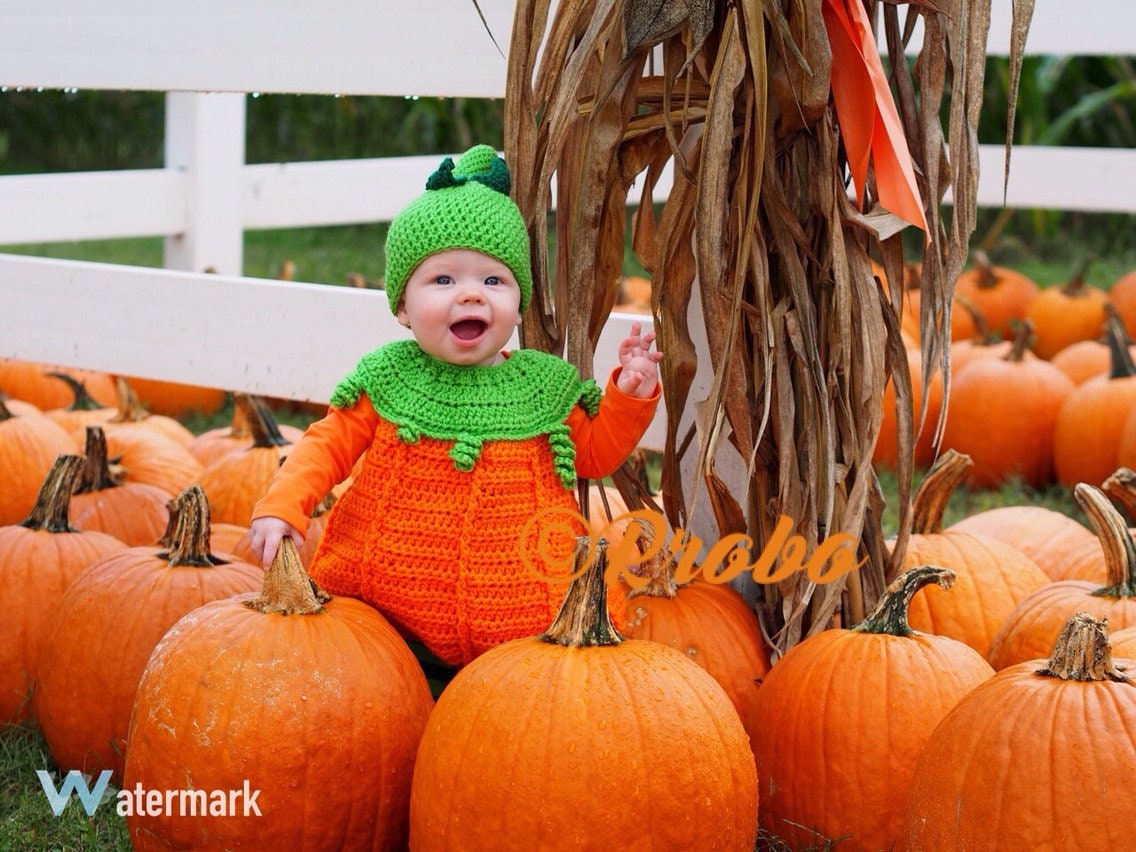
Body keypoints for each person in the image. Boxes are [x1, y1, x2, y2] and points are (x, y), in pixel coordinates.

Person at [248, 144, 661, 668]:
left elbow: (596, 456)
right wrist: (285, 504)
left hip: (521, 626)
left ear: (518, 302)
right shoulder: (390, 378)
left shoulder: (543, 387)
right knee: (371, 684)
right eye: (443, 280)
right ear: (402, 306)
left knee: (534, 698)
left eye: (494, 280)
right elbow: (325, 447)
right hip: (385, 617)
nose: (470, 295)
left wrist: (631, 392)